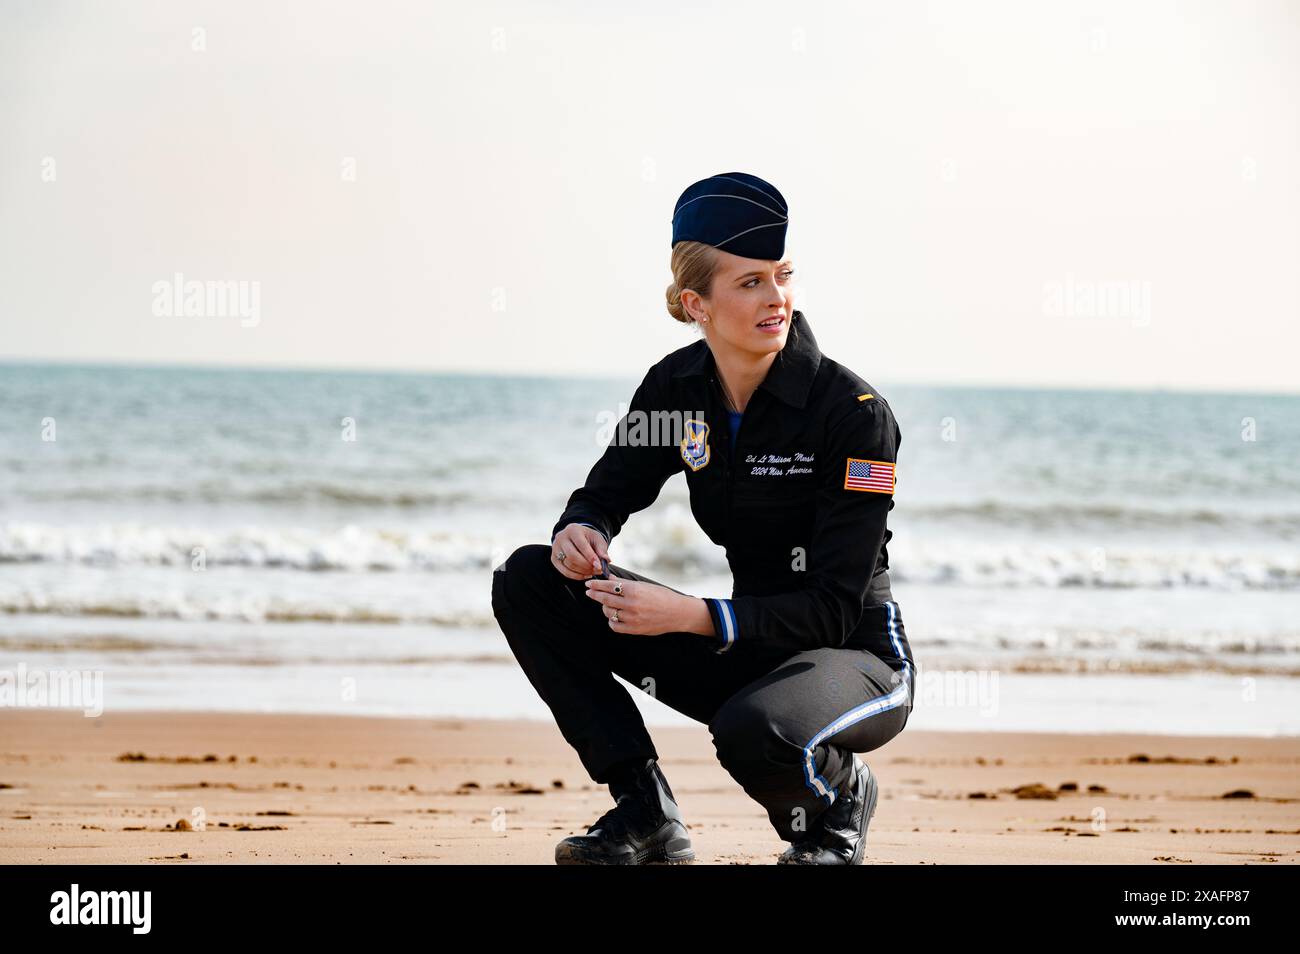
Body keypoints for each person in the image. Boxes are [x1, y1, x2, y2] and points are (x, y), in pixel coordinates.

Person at [490, 171, 915, 865]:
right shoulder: (676, 387)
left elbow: (835, 608)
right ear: (698, 304)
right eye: (749, 283)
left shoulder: (853, 415)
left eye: (781, 275)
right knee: (530, 578)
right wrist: (583, 528)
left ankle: (836, 803)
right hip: (748, 647)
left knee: (753, 730)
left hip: (856, 658)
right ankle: (643, 811)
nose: (776, 298)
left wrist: (689, 615)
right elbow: (610, 487)